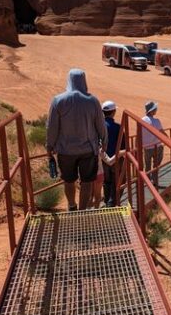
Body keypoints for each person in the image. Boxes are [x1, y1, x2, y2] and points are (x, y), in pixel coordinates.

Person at [46, 69, 107, 211]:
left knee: (69, 180)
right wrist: (104, 142)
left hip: (65, 150)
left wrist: (49, 146)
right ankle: (82, 209)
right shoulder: (93, 101)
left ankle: (72, 205)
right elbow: (100, 125)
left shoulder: (58, 101)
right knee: (86, 182)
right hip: (88, 150)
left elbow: (52, 127)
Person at [101, 100, 124, 207]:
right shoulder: (118, 127)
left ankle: (106, 201)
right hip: (116, 158)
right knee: (117, 179)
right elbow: (124, 145)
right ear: (113, 112)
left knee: (106, 180)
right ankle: (112, 201)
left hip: (103, 158)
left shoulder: (99, 127)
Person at [142, 101, 164, 188]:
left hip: (146, 147)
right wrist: (169, 140)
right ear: (151, 111)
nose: (156, 110)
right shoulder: (156, 121)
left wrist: (137, 146)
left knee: (147, 165)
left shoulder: (141, 120)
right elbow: (162, 132)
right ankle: (155, 181)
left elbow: (138, 134)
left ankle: (148, 182)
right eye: (155, 109)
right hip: (157, 147)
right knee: (156, 165)